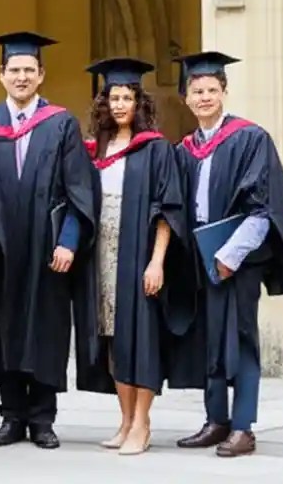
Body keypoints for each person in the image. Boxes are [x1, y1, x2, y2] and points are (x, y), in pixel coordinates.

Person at [0, 32, 99, 450]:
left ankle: (42, 418)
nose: (21, 77)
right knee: (4, 328)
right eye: (14, 70)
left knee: (46, 328)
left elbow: (79, 189)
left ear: (41, 75)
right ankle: (11, 416)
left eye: (29, 70)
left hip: (48, 249)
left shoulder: (60, 124)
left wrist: (69, 242)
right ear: (1, 75)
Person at [169, 51, 283, 458]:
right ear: (186, 98)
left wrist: (231, 254)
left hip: (237, 260)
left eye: (211, 90)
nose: (205, 97)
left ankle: (243, 427)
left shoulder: (250, 139)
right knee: (208, 337)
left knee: (241, 338)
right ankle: (216, 420)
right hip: (199, 259)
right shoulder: (184, 149)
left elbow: (265, 206)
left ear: (224, 92)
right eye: (197, 91)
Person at [81, 57, 189, 456]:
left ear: (139, 102)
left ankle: (142, 423)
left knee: (140, 338)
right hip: (102, 258)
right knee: (112, 340)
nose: (120, 104)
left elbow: (168, 209)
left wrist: (156, 261)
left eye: (127, 97)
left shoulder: (156, 150)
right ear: (104, 103)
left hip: (139, 255)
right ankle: (124, 420)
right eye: (114, 97)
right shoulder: (96, 150)